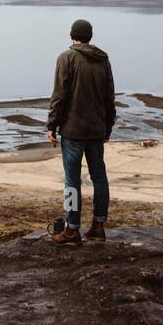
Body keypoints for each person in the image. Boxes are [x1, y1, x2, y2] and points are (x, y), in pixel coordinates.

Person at [45, 18, 116, 246]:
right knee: (99, 178)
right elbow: (109, 97)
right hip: (96, 130)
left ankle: (72, 230)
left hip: (73, 131)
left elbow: (59, 95)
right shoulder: (103, 60)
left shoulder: (66, 58)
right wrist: (108, 126)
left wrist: (51, 126)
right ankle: (98, 226)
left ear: (72, 35)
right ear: (90, 36)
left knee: (72, 181)